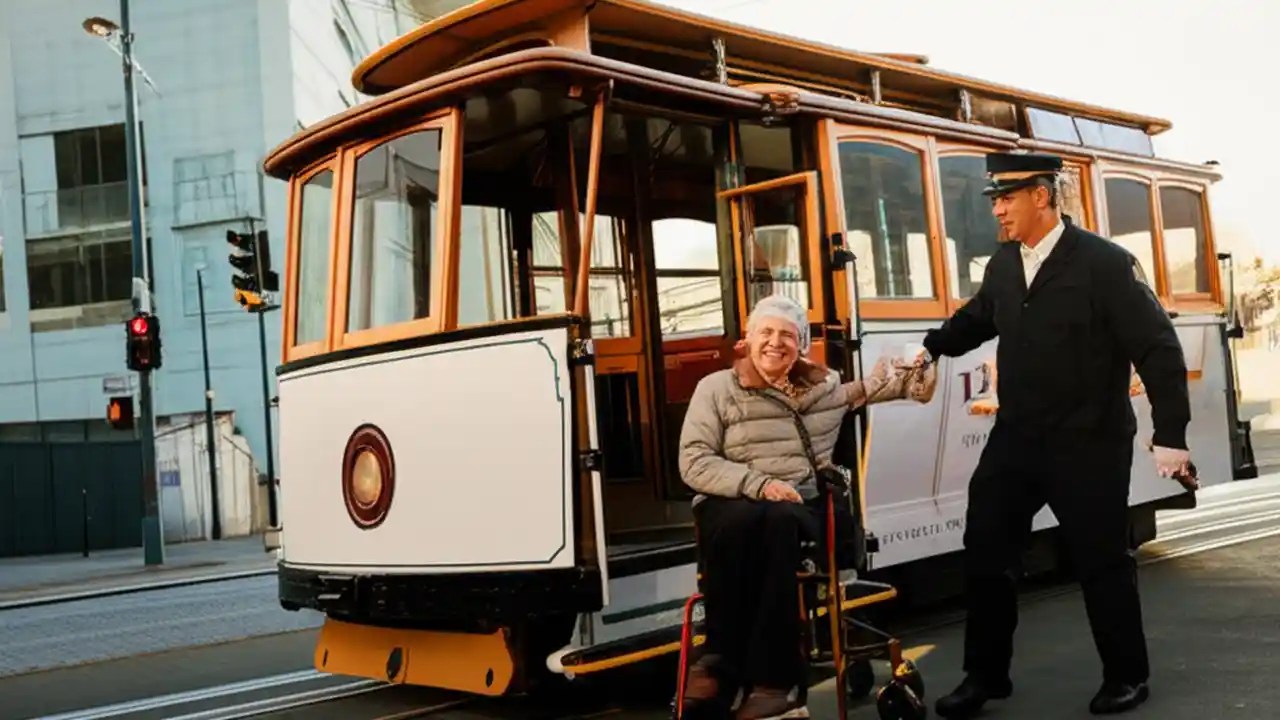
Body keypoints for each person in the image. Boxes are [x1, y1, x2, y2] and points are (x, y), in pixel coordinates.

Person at [918, 152, 1198, 718]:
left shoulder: (1104, 263)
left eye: (1006, 197)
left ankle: (1126, 676)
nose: (997, 208)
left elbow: (1159, 349)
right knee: (986, 551)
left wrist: (1171, 433)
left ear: (1041, 196)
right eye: (994, 199)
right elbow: (978, 317)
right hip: (1018, 439)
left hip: (1088, 442)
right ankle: (985, 675)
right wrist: (930, 347)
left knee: (1099, 560)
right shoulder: (1004, 263)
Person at [678, 293, 936, 720]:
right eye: (765, 332)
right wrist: (757, 483)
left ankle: (771, 680)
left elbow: (889, 386)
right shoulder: (716, 389)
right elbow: (693, 461)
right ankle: (726, 661)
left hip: (796, 505)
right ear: (748, 339)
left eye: (787, 335)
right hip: (731, 499)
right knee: (749, 519)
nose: (774, 343)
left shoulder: (825, 390)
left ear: (801, 344)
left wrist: (920, 364)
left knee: (777, 521)